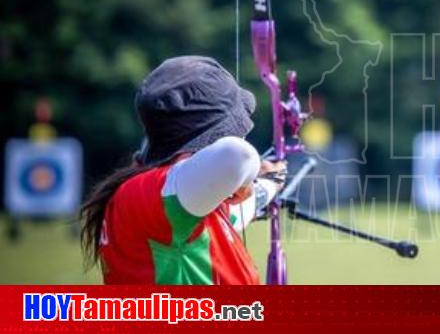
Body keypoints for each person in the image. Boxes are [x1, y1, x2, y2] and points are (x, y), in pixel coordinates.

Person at [79, 56, 285, 284]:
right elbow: (239, 155)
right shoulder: (153, 193)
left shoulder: (175, 199)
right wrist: (246, 181)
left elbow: (233, 215)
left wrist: (270, 182)